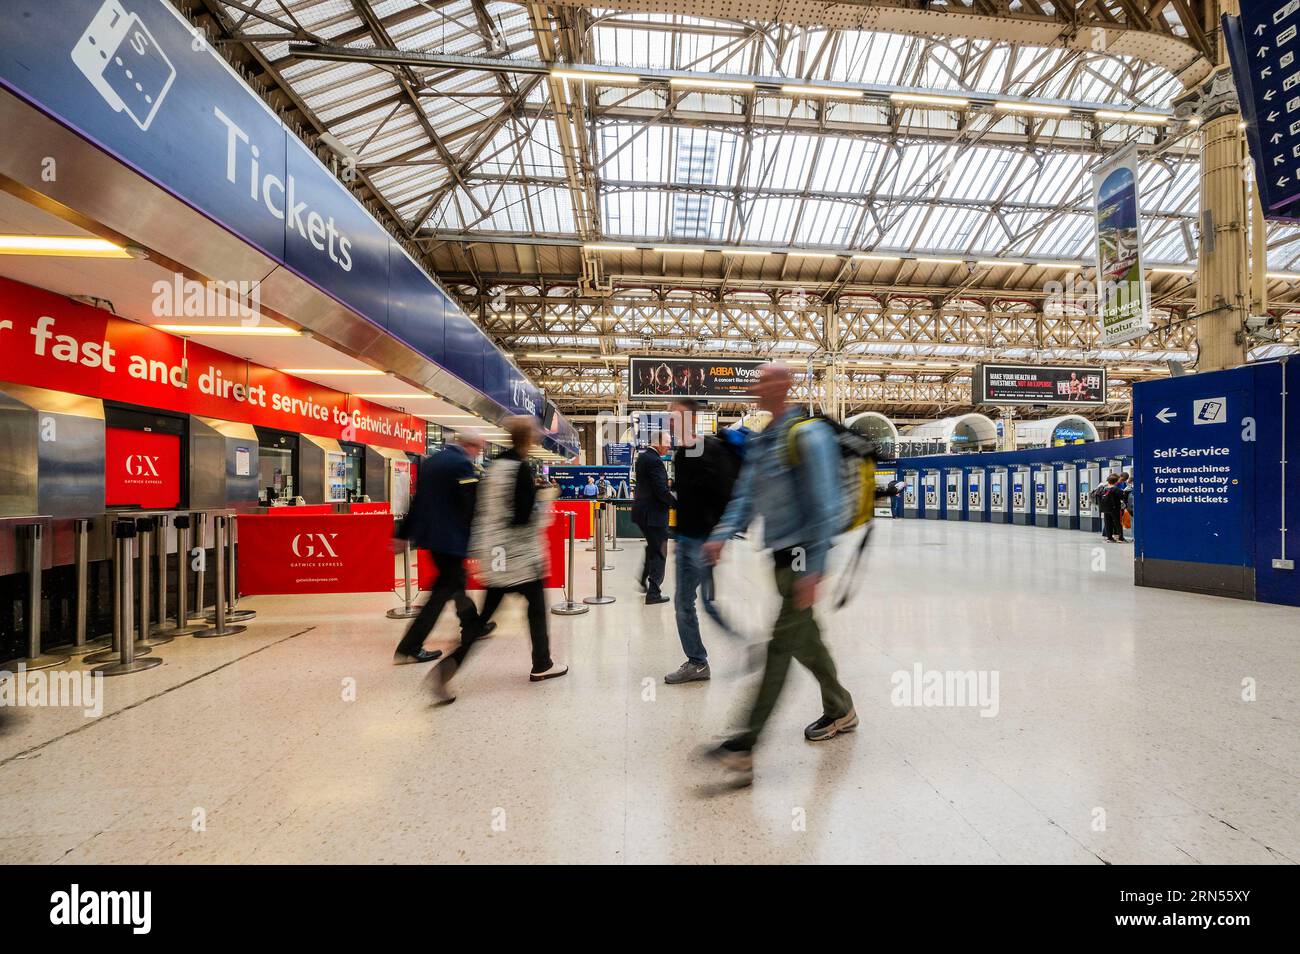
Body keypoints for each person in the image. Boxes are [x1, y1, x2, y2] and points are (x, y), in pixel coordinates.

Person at [702, 363, 856, 785]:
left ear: (785, 386)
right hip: (779, 557)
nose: (756, 386)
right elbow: (746, 497)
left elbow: (827, 505)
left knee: (780, 645)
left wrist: (817, 568)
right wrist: (720, 534)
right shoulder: (765, 439)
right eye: (756, 379)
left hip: (804, 557)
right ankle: (841, 707)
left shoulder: (808, 435)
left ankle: (745, 746)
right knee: (806, 638)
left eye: (766, 380)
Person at [429, 416, 567, 703]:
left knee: (483, 618)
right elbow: (523, 517)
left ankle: (449, 665)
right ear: (527, 440)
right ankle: (542, 664)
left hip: (497, 557)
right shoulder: (520, 470)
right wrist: (546, 499)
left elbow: (484, 511)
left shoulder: (493, 467)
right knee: (537, 610)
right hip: (521, 559)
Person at [393, 435, 495, 664]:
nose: (478, 453)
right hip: (452, 539)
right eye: (479, 449)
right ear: (471, 445)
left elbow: (418, 501)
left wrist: (403, 534)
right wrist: (477, 541)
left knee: (456, 584)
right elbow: (469, 504)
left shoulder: (432, 461)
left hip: (433, 537)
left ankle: (472, 625)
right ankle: (410, 646)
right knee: (442, 592)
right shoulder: (462, 465)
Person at [663, 398, 742, 685]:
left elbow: (724, 496)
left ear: (692, 417)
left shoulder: (707, 449)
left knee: (693, 602)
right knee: (692, 602)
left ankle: (708, 658)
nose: (671, 419)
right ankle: (701, 659)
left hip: (701, 541)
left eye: (676, 414)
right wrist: (677, 535)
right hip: (687, 539)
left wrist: (718, 537)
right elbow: (688, 500)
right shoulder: (682, 453)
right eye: (670, 414)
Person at [632, 436, 674, 605]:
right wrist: (676, 504)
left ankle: (644, 579)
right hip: (654, 515)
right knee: (660, 551)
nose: (669, 446)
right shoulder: (655, 461)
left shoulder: (643, 457)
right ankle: (654, 593)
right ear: (658, 442)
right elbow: (660, 490)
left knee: (653, 547)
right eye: (667, 442)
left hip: (642, 513)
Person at [1099, 473, 1125, 543]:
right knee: (1117, 523)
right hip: (1115, 509)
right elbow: (1123, 498)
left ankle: (1109, 538)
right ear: (1116, 481)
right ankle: (1120, 538)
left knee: (1108, 523)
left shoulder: (1104, 489)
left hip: (1106, 509)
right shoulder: (1117, 489)